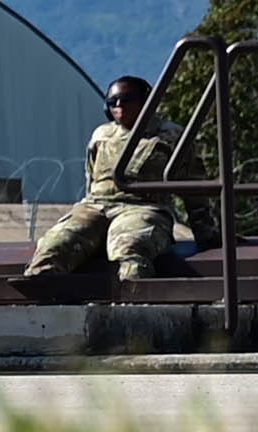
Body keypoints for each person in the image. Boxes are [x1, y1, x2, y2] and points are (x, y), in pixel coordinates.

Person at [15, 75, 185, 298]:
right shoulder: (102, 135)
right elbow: (91, 177)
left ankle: (132, 301)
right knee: (56, 243)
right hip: (97, 206)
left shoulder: (170, 135)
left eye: (127, 99)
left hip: (143, 207)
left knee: (128, 247)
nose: (119, 105)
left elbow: (194, 182)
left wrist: (206, 232)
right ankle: (40, 296)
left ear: (146, 101)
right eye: (112, 101)